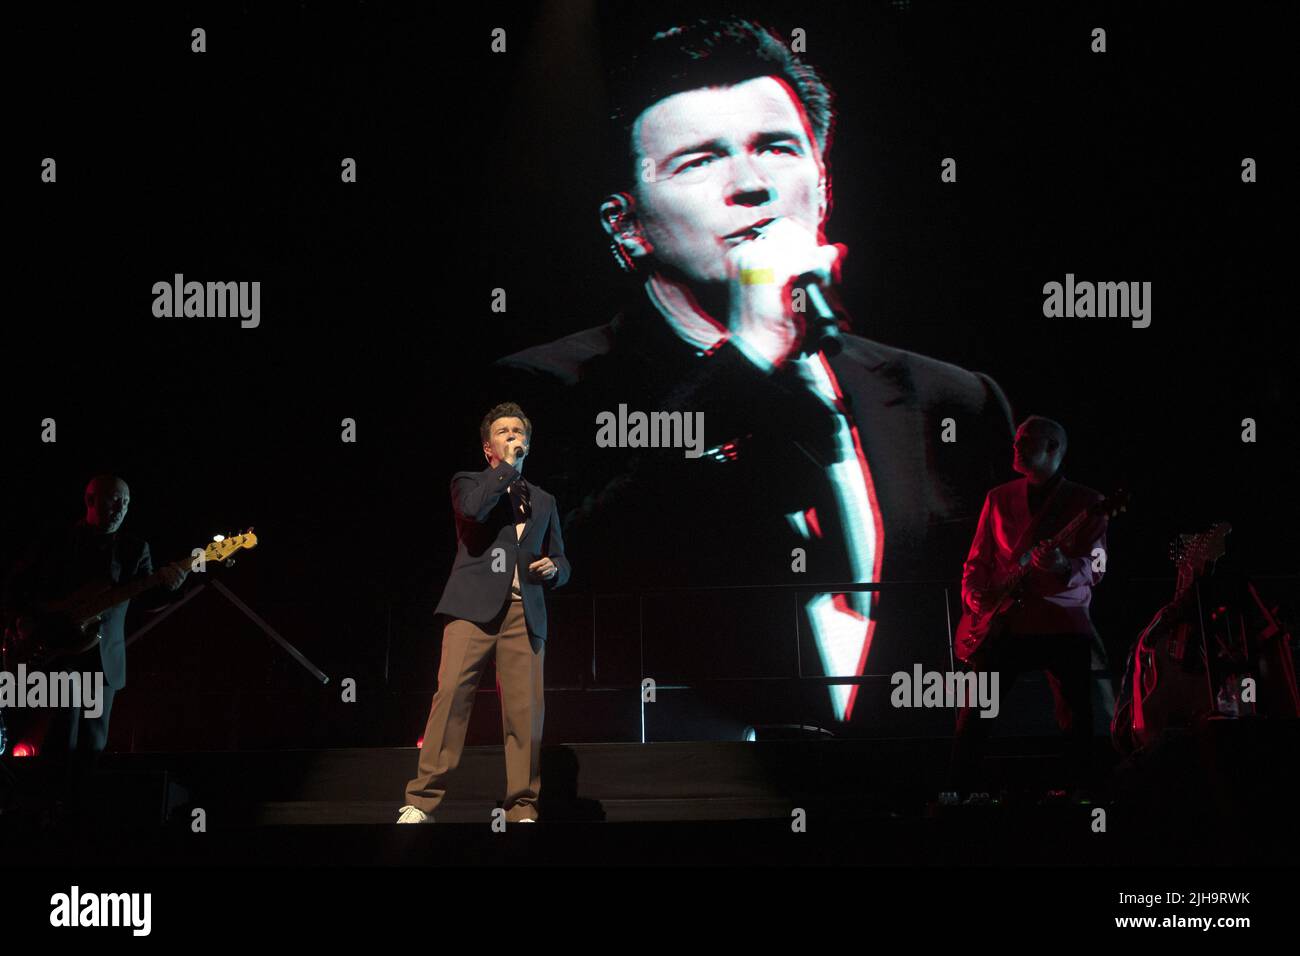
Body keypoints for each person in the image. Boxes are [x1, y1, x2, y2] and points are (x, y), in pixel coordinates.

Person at [488, 17, 1013, 726]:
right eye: (700, 160)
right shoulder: (544, 392)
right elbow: (536, 590)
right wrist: (748, 361)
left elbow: (999, 625)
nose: (753, 184)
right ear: (626, 225)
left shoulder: (952, 400)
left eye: (776, 147)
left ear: (823, 186)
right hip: (680, 804)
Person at [398, 403, 571, 823]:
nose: (512, 436)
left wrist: (555, 570)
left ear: (528, 441)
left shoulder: (544, 500)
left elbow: (563, 559)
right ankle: (421, 802)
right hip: (471, 610)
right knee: (451, 697)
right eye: (503, 432)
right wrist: (505, 471)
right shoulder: (470, 482)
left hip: (523, 612)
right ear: (488, 447)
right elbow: (474, 512)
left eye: (518, 431)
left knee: (524, 711)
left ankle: (522, 808)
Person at [948, 416, 1108, 802]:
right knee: (975, 712)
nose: (1015, 448)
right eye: (1017, 441)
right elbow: (977, 561)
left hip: (1061, 620)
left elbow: (1098, 565)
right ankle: (959, 792)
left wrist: (1063, 567)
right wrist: (973, 597)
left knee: (1075, 716)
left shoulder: (1088, 503)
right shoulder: (998, 497)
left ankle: (1079, 792)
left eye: (1026, 442)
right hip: (1006, 620)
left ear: (1054, 447)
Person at [1, 475, 188, 791]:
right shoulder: (58, 542)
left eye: (125, 501)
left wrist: (172, 586)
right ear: (90, 501)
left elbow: (146, 600)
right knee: (59, 739)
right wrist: (26, 620)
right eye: (113, 499)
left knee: (93, 746)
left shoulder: (133, 548)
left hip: (102, 659)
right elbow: (18, 587)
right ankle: (49, 810)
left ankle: (78, 814)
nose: (121, 507)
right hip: (57, 653)